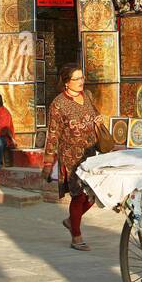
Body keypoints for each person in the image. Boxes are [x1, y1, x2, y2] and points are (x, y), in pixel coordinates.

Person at [43, 64, 108, 251]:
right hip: (70, 156)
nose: (81, 82)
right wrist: (48, 162)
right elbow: (53, 134)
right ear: (66, 82)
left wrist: (99, 120)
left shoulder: (86, 96)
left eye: (82, 77)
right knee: (78, 195)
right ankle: (76, 236)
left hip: (89, 153)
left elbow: (95, 115)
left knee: (93, 193)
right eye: (76, 79)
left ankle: (72, 221)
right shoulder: (58, 104)